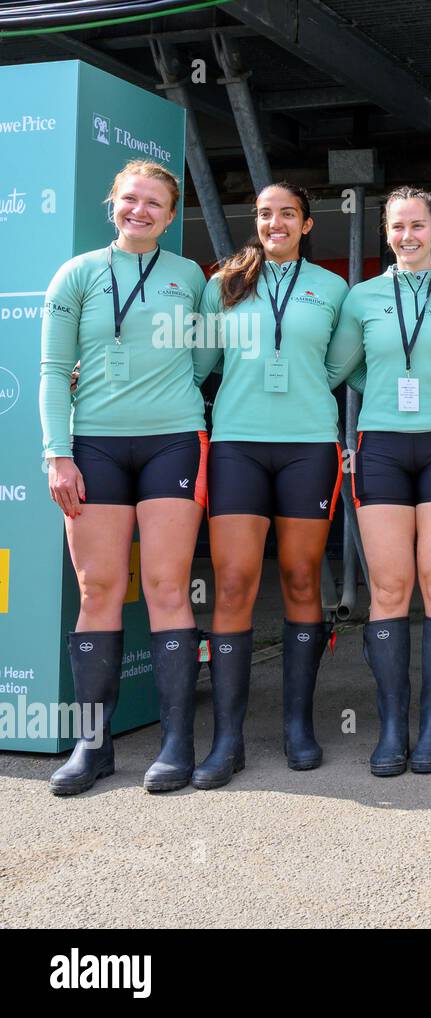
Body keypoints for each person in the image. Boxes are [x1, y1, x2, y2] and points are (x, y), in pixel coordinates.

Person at [41, 160, 209, 795]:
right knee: (98, 590)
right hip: (95, 447)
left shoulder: (189, 276)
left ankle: (175, 742)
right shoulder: (77, 273)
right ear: (112, 204)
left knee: (168, 587)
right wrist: (58, 453)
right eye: (130, 200)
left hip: (172, 440)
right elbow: (55, 369)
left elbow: (204, 358)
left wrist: (157, 390)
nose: (140, 211)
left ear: (170, 216)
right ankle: (93, 745)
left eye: (154, 204)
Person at [329, 187, 431, 776]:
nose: (407, 236)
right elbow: (336, 369)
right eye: (397, 227)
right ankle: (392, 729)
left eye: (417, 226)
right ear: (386, 233)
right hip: (380, 447)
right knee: (390, 589)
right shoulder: (361, 298)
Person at [192, 182, 349, 787]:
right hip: (237, 445)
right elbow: (199, 366)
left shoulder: (332, 289)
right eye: (264, 214)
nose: (275, 223)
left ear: (307, 224)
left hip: (309, 445)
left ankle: (297, 727)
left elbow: (338, 365)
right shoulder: (223, 284)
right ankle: (227, 738)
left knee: (302, 578)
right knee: (232, 581)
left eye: (288, 214)